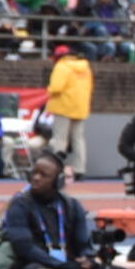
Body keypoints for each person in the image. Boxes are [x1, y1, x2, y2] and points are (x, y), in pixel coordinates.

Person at [0, 151, 135, 269]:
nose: (36, 178)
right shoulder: (19, 205)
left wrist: (87, 261)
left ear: (58, 181)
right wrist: (59, 265)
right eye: (34, 173)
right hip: (36, 265)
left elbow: (83, 244)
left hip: (70, 266)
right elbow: (24, 248)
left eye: (43, 175)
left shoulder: (72, 206)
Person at [42, 44, 93, 177]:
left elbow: (56, 87)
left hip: (63, 106)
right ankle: (79, 169)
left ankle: (57, 168)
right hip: (80, 107)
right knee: (78, 139)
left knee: (60, 139)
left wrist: (49, 89)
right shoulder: (85, 67)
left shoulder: (62, 66)